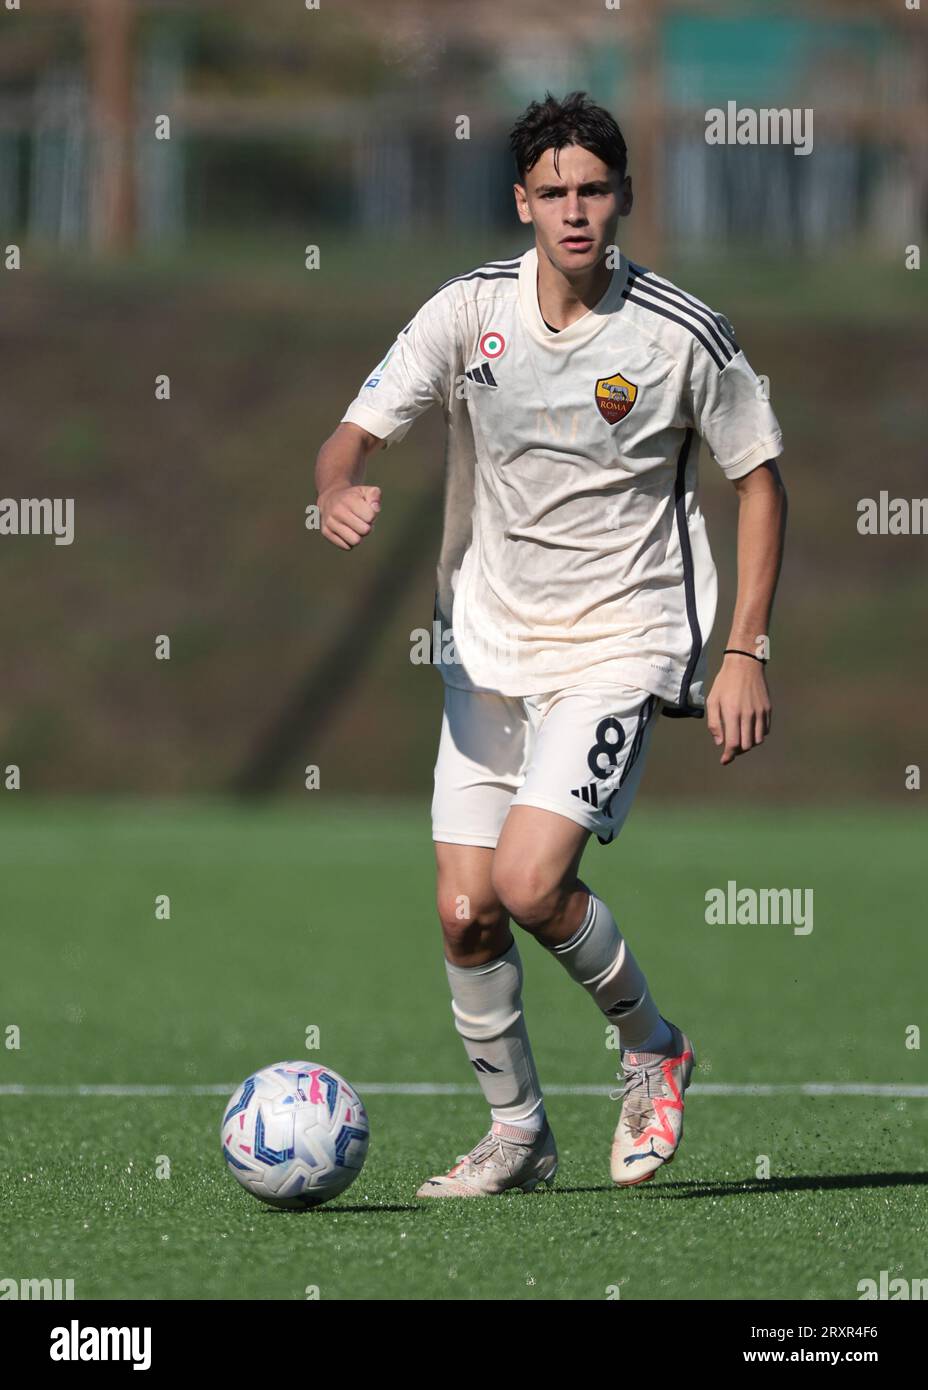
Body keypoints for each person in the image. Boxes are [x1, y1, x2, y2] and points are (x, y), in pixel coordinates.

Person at [314, 91, 787, 1197]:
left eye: (593, 190)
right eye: (553, 193)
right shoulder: (465, 312)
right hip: (485, 649)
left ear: (621, 196)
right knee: (465, 912)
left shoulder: (680, 333)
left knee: (529, 883)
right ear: (520, 201)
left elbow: (758, 478)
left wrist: (745, 649)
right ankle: (518, 1132)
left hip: (618, 641)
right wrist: (338, 487)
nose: (574, 212)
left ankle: (652, 1044)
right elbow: (348, 435)